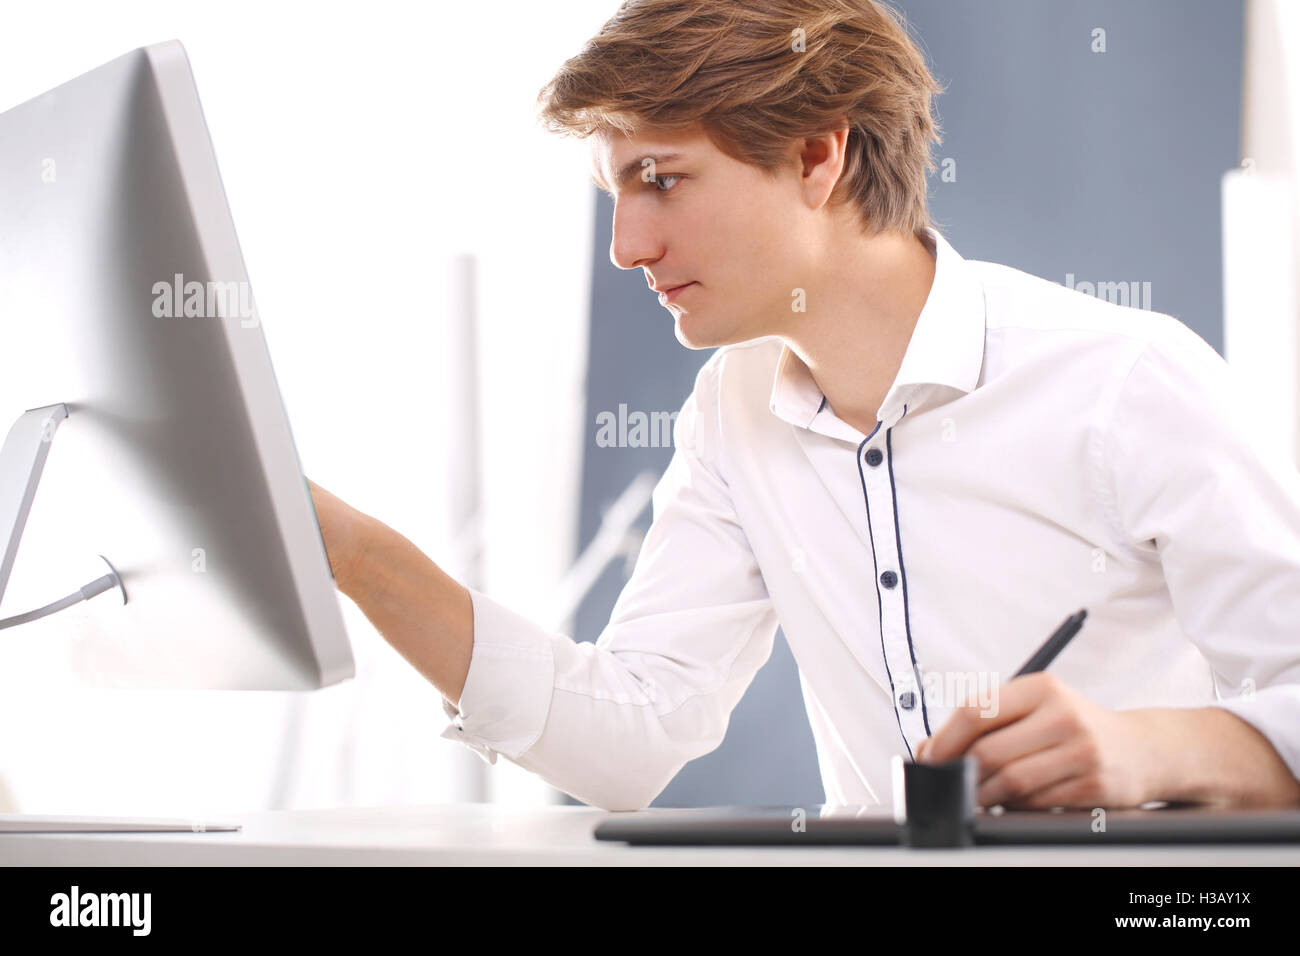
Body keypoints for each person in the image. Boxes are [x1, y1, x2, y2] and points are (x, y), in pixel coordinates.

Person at [308, 0, 1300, 812]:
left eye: (662, 180)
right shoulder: (731, 413)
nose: (627, 246)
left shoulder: (1127, 383)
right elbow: (629, 734)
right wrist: (347, 549)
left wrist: (1146, 751)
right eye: (618, 193)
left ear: (817, 158)